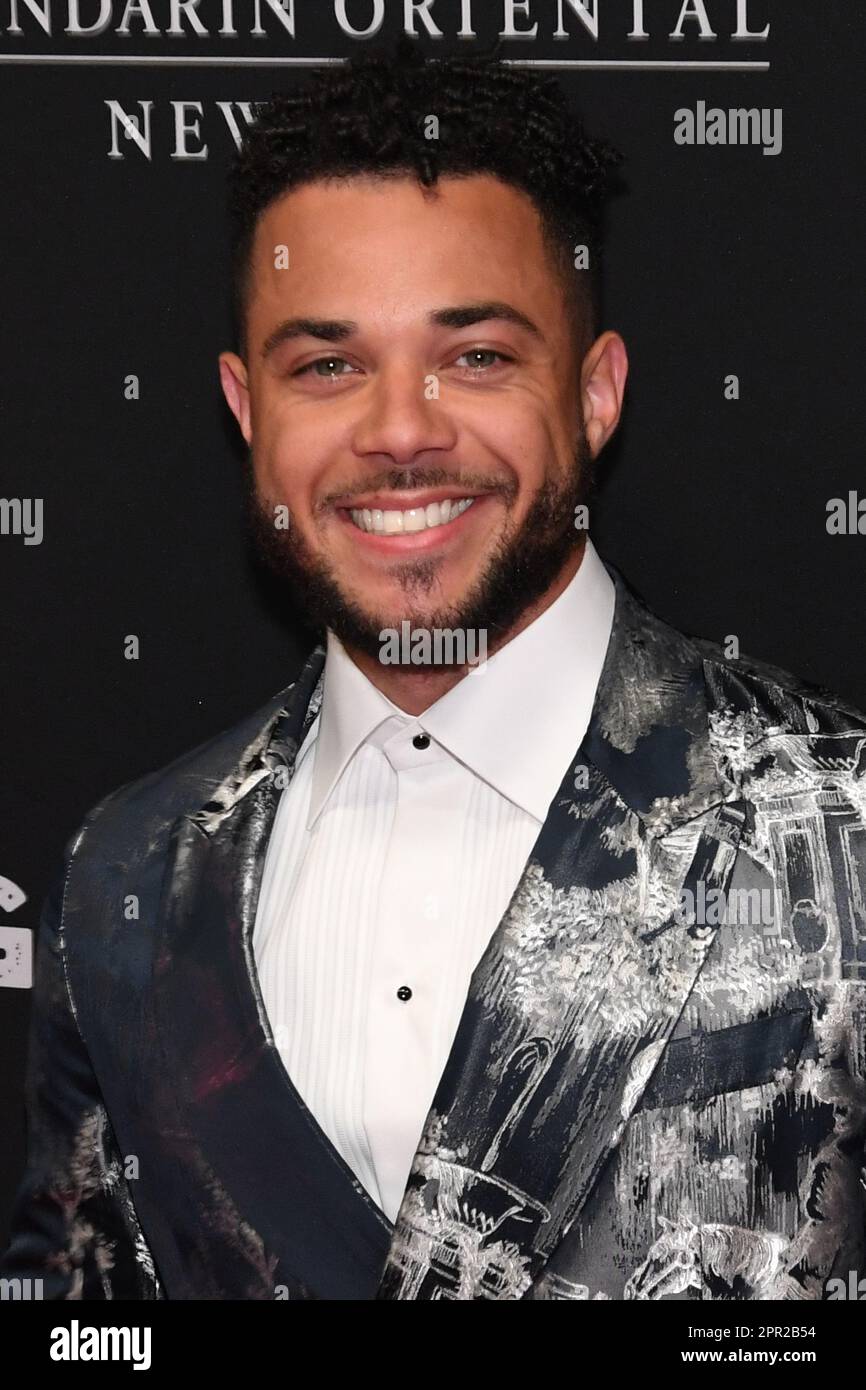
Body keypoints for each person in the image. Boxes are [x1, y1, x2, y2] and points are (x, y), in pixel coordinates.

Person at [2, 40, 864, 1302]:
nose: (401, 431)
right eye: (328, 365)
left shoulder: (835, 822)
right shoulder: (127, 873)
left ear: (595, 392)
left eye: (475, 355)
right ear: (248, 411)